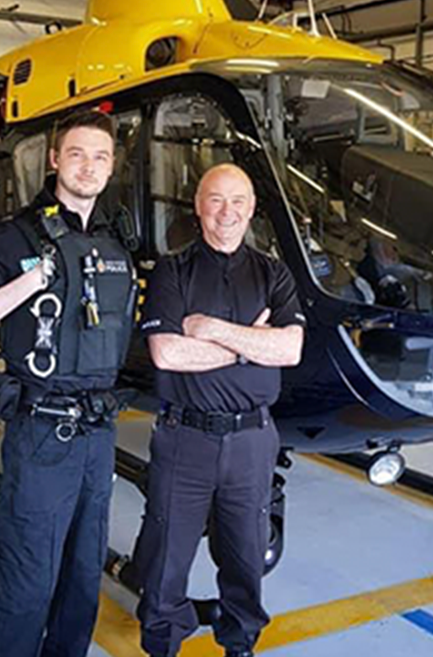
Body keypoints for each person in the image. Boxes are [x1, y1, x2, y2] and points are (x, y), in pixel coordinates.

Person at [0, 109, 137, 657]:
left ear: (112, 166)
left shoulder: (115, 245)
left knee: (81, 583)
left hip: (97, 438)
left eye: (100, 156)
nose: (88, 166)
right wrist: (28, 283)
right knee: (26, 585)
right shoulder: (15, 238)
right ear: (54, 161)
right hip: (42, 435)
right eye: (76, 154)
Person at [132, 163, 305, 657]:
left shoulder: (273, 273)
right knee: (168, 555)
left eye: (237, 202)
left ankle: (239, 643)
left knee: (245, 555)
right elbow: (168, 353)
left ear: (251, 209)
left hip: (253, 441)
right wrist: (253, 343)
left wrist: (209, 327)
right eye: (215, 200)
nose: (226, 213)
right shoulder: (172, 270)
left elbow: (290, 349)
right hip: (185, 439)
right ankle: (163, 643)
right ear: (198, 206)